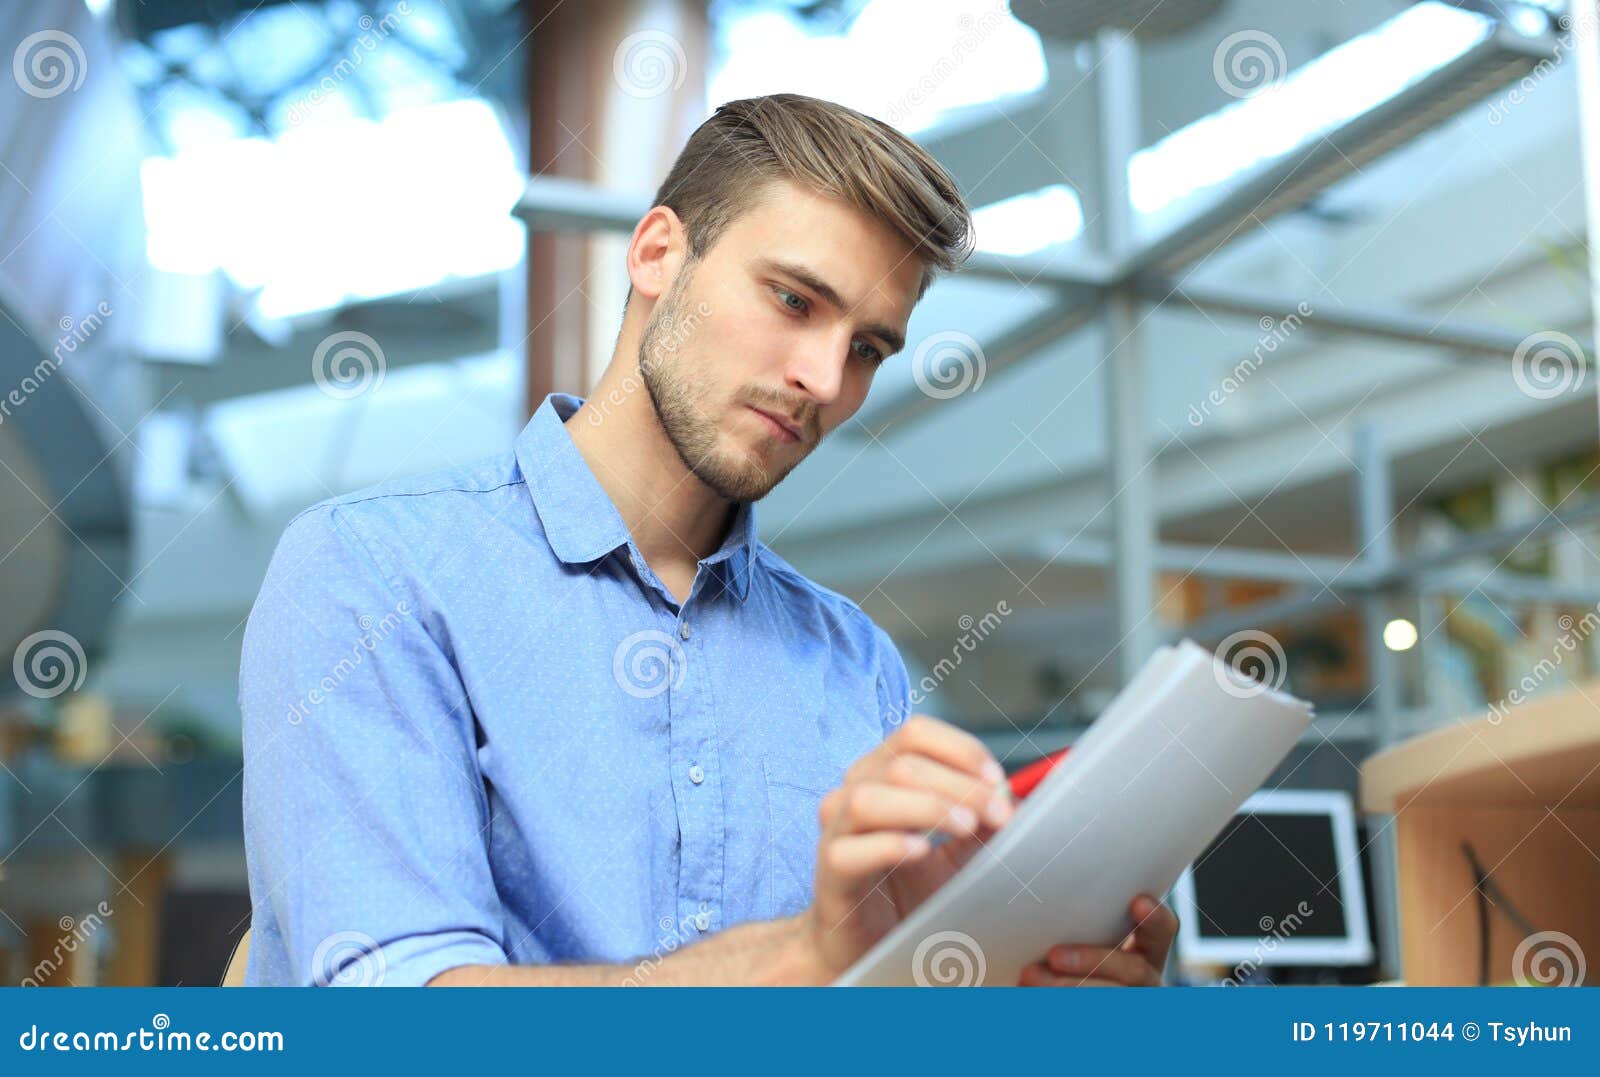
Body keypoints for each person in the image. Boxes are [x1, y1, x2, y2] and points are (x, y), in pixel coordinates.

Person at [239, 92, 1177, 987]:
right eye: (795, 301)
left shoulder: (857, 665)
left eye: (867, 349)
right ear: (656, 253)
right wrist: (800, 963)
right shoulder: (373, 573)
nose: (822, 378)